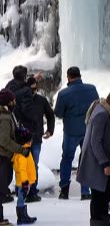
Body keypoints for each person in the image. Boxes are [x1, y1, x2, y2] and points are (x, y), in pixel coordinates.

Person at [79, 87, 110, 226]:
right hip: (97, 164)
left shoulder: (99, 107)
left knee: (102, 195)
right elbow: (95, 142)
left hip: (97, 162)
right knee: (100, 197)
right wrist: (105, 163)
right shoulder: (102, 114)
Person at [54, 66, 100, 200]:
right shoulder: (91, 89)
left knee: (67, 159)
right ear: (80, 75)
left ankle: (64, 190)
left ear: (68, 77)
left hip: (71, 131)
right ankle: (85, 191)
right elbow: (97, 106)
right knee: (86, 159)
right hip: (88, 130)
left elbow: (58, 113)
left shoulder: (63, 94)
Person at [23, 76, 52, 204]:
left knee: (33, 165)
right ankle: (26, 191)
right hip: (25, 138)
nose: (33, 91)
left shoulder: (41, 100)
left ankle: (31, 192)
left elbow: (50, 115)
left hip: (34, 138)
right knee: (27, 165)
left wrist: (50, 130)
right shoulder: (23, 100)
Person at [0, 90, 24, 225]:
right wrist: (20, 149)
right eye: (13, 100)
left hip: (4, 156)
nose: (15, 102)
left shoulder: (7, 115)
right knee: (1, 188)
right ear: (8, 102)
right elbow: (4, 140)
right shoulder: (4, 117)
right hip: (2, 157)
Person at [11, 126, 36, 224]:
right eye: (30, 140)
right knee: (21, 199)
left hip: (24, 182)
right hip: (23, 183)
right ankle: (21, 217)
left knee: (22, 199)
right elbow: (21, 170)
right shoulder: (22, 154)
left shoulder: (26, 151)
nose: (32, 141)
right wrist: (25, 182)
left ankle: (24, 215)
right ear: (27, 141)